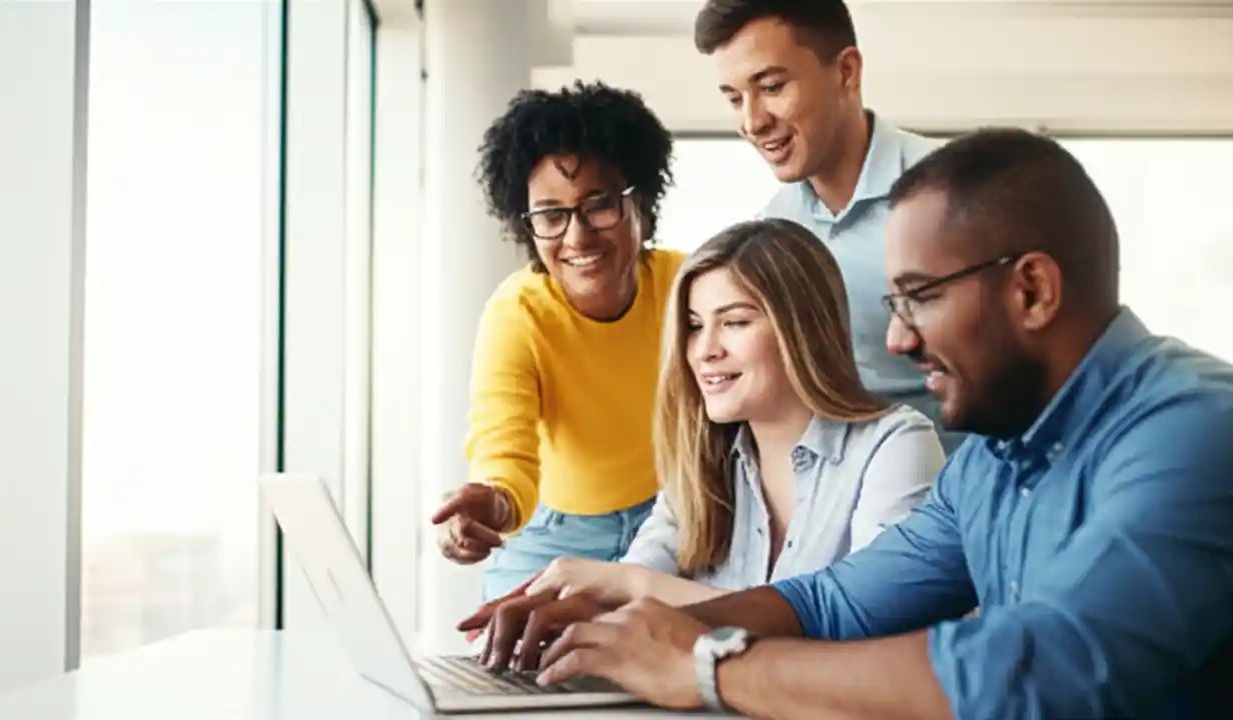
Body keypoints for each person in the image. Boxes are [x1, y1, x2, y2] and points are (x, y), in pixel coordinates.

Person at [513, 130, 1233, 718]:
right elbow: (833, 601)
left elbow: (1044, 670)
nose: (898, 342)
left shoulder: (1194, 431)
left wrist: (707, 666)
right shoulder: (992, 457)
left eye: (918, 298)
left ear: (1032, 290)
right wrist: (622, 634)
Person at [460, 218, 945, 671]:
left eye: (734, 322)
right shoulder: (702, 461)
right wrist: (575, 613)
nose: (705, 348)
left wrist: (632, 586)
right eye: (694, 325)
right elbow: (638, 587)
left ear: (803, 329)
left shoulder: (896, 447)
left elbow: (873, 637)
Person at [428, 82, 687, 601]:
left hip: (676, 521)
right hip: (552, 537)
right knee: (514, 668)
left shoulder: (688, 287)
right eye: (551, 215)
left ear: (642, 205)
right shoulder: (518, 313)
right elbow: (506, 450)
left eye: (599, 205)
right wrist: (494, 502)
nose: (577, 237)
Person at [694, 0, 964, 451]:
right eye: (735, 99)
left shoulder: (954, 192)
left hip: (963, 496)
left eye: (773, 87)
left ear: (846, 72)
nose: (752, 121)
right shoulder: (777, 226)